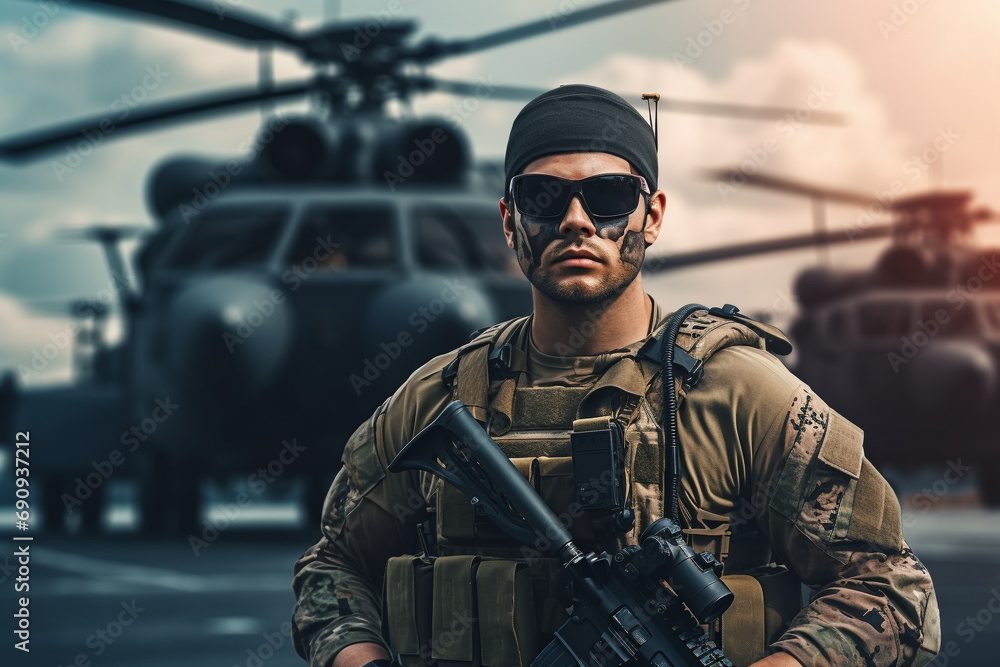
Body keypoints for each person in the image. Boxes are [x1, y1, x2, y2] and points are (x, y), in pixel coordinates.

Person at [292, 84, 940, 667]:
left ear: (651, 216)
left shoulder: (741, 392)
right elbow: (332, 564)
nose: (576, 221)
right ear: (509, 220)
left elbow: (890, 583)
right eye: (543, 196)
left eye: (607, 196)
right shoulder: (438, 398)